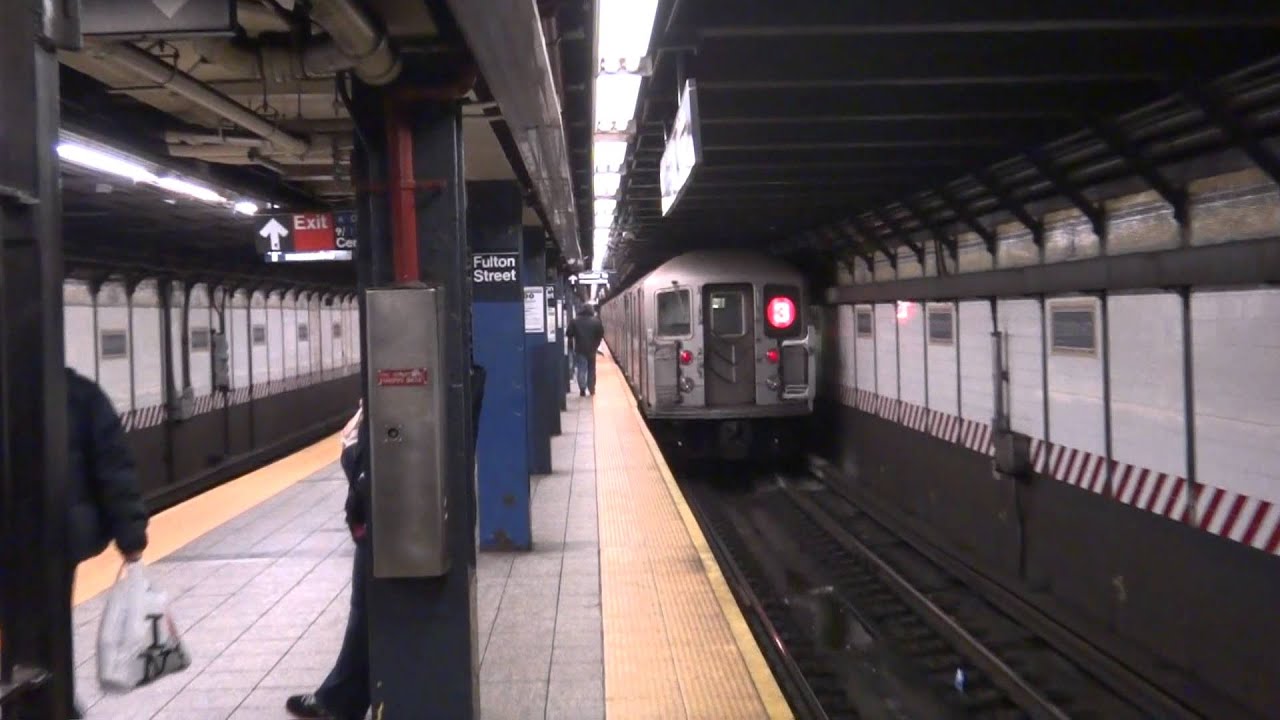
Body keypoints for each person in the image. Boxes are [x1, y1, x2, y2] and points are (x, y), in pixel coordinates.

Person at [66, 367, 149, 718]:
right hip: (57, 539)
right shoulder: (79, 394)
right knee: (46, 629)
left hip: (32, 538)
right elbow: (114, 468)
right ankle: (55, 703)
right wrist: (131, 539)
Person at [287, 402, 370, 720]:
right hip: (389, 525)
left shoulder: (388, 394)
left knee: (365, 615)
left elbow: (367, 474)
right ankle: (341, 699)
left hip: (379, 526)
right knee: (367, 616)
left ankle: (338, 702)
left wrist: (349, 447)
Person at [566, 303, 604, 396]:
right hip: (592, 349)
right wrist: (596, 345)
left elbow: (568, 333)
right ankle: (591, 389)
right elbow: (601, 334)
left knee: (582, 369)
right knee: (591, 369)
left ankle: (582, 389)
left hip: (580, 349)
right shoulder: (596, 321)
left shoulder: (575, 321)